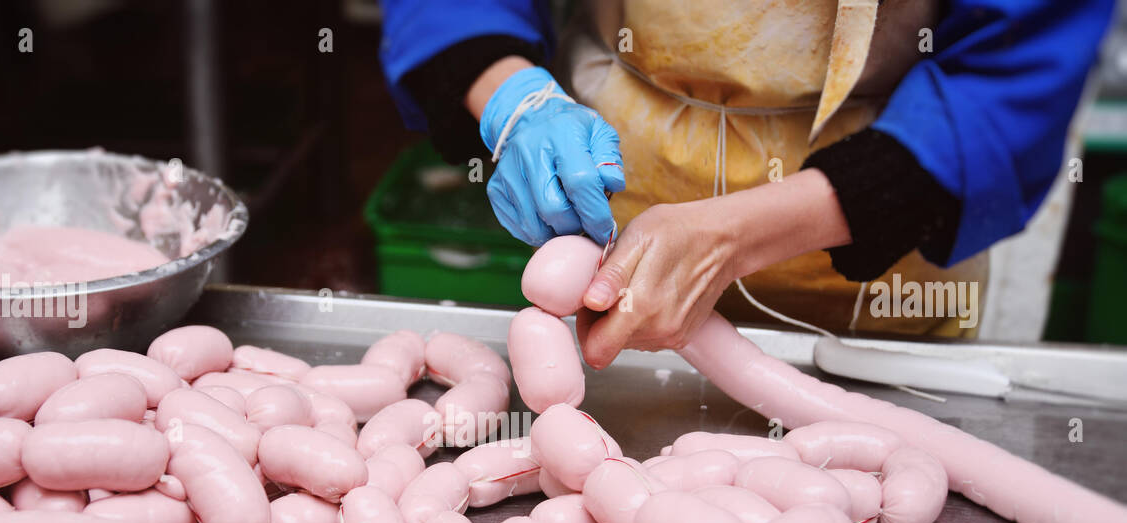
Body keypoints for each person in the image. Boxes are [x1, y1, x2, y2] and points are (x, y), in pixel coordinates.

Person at [378, 0, 1116, 366]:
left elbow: (1012, 74)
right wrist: (512, 99)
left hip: (880, 240)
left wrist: (736, 237)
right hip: (617, 184)